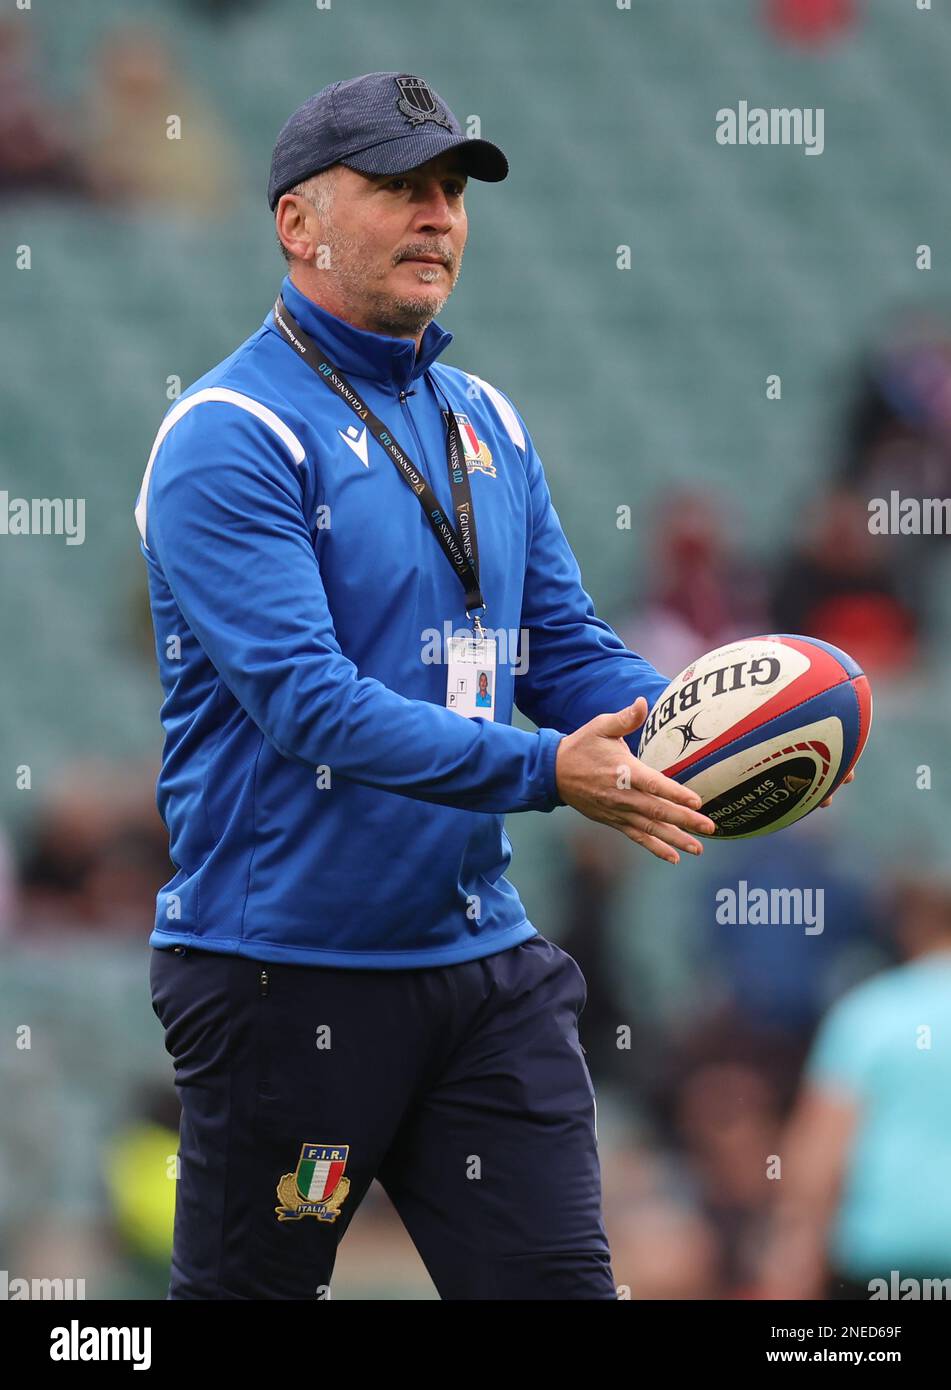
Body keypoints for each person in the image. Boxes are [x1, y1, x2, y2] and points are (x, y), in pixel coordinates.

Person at [136, 68, 748, 1301]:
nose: (438, 215)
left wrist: (719, 725)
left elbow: (562, 652)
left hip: (480, 970)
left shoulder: (488, 420)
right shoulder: (229, 433)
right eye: (399, 187)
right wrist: (549, 771)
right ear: (297, 222)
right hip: (287, 976)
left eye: (453, 191)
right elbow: (309, 705)